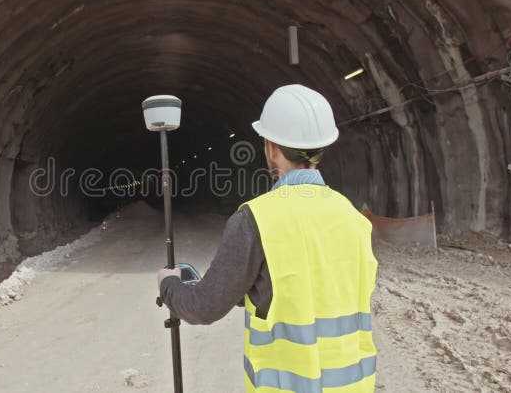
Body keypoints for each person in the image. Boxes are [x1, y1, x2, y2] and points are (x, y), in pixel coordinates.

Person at [157, 84, 378, 392]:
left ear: (271, 147)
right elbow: (311, 292)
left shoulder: (255, 219)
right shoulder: (354, 220)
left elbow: (203, 306)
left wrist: (169, 285)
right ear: (322, 148)